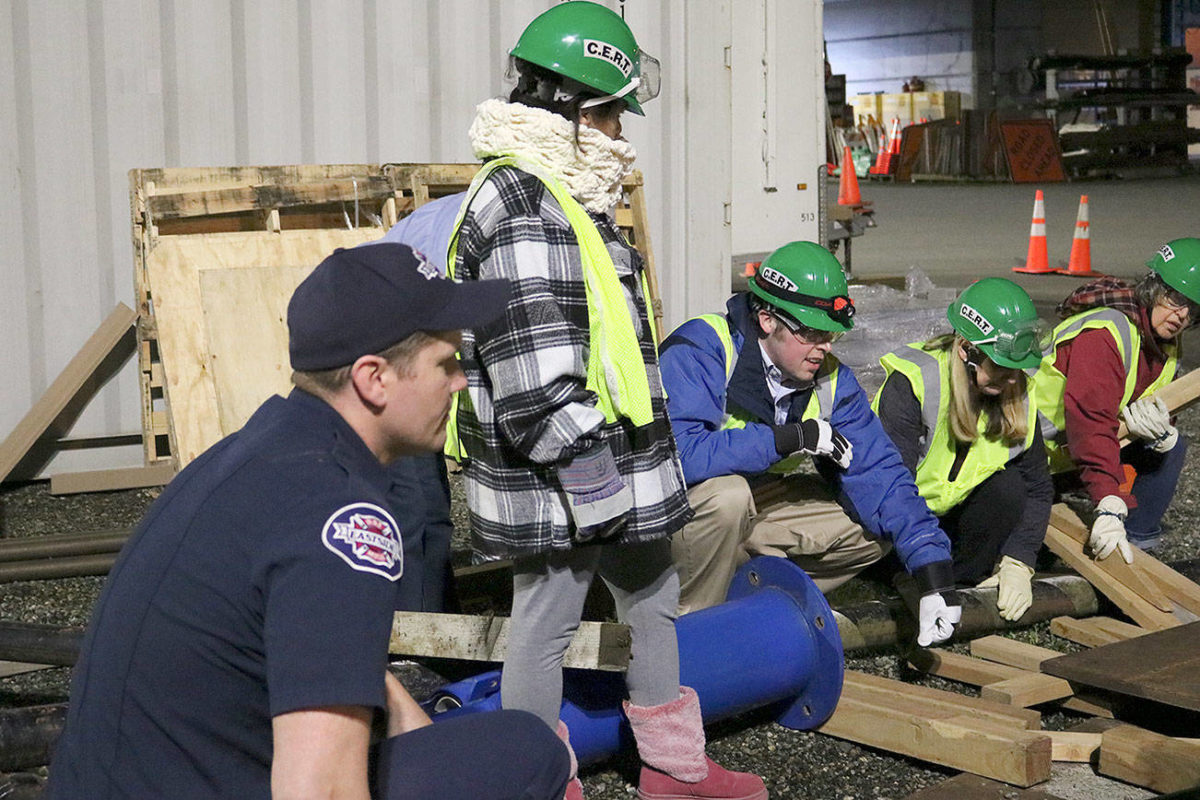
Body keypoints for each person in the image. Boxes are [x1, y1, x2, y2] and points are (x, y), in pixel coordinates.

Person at [48, 244, 570, 800]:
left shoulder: (260, 455)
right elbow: (318, 790)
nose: (461, 382)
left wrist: (411, 725)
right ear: (374, 379)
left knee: (496, 743)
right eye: (446, 363)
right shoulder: (345, 520)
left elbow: (324, 639)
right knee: (529, 752)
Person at [447, 4, 766, 799]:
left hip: (610, 466)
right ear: (571, 108)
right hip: (570, 474)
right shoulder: (525, 204)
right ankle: (535, 780)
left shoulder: (562, 193)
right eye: (613, 109)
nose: (623, 128)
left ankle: (674, 770)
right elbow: (536, 383)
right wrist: (595, 487)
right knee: (548, 614)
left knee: (651, 593)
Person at [658, 240, 961, 646]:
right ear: (767, 319)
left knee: (874, 526)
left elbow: (882, 476)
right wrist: (791, 438)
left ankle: (744, 594)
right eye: (812, 332)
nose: (826, 346)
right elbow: (682, 457)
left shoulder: (831, 378)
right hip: (669, 519)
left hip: (746, 508)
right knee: (726, 496)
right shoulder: (704, 349)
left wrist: (933, 572)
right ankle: (687, 632)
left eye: (832, 333)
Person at [873, 278, 1053, 622]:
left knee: (1009, 489)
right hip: (896, 524)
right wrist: (926, 569)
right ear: (966, 350)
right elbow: (891, 493)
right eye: (1000, 367)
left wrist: (1020, 559)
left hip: (950, 517)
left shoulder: (1013, 389)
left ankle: (962, 580)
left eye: (1017, 369)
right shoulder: (913, 384)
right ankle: (904, 575)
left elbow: (1037, 487)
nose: (1013, 380)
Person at [1032, 237, 1200, 561]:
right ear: (1154, 289)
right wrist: (1107, 500)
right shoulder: (1105, 333)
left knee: (1172, 445)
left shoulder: (1165, 343)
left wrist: (1163, 430)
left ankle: (1137, 549)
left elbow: (1155, 400)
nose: (1181, 315)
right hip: (1033, 453)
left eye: (1192, 309)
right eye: (1176, 298)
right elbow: (1090, 423)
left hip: (1078, 447)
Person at [367, 192, 468, 612]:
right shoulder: (499, 217)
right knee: (410, 510)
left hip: (410, 341)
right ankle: (410, 646)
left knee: (432, 510)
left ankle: (439, 627)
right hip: (385, 343)